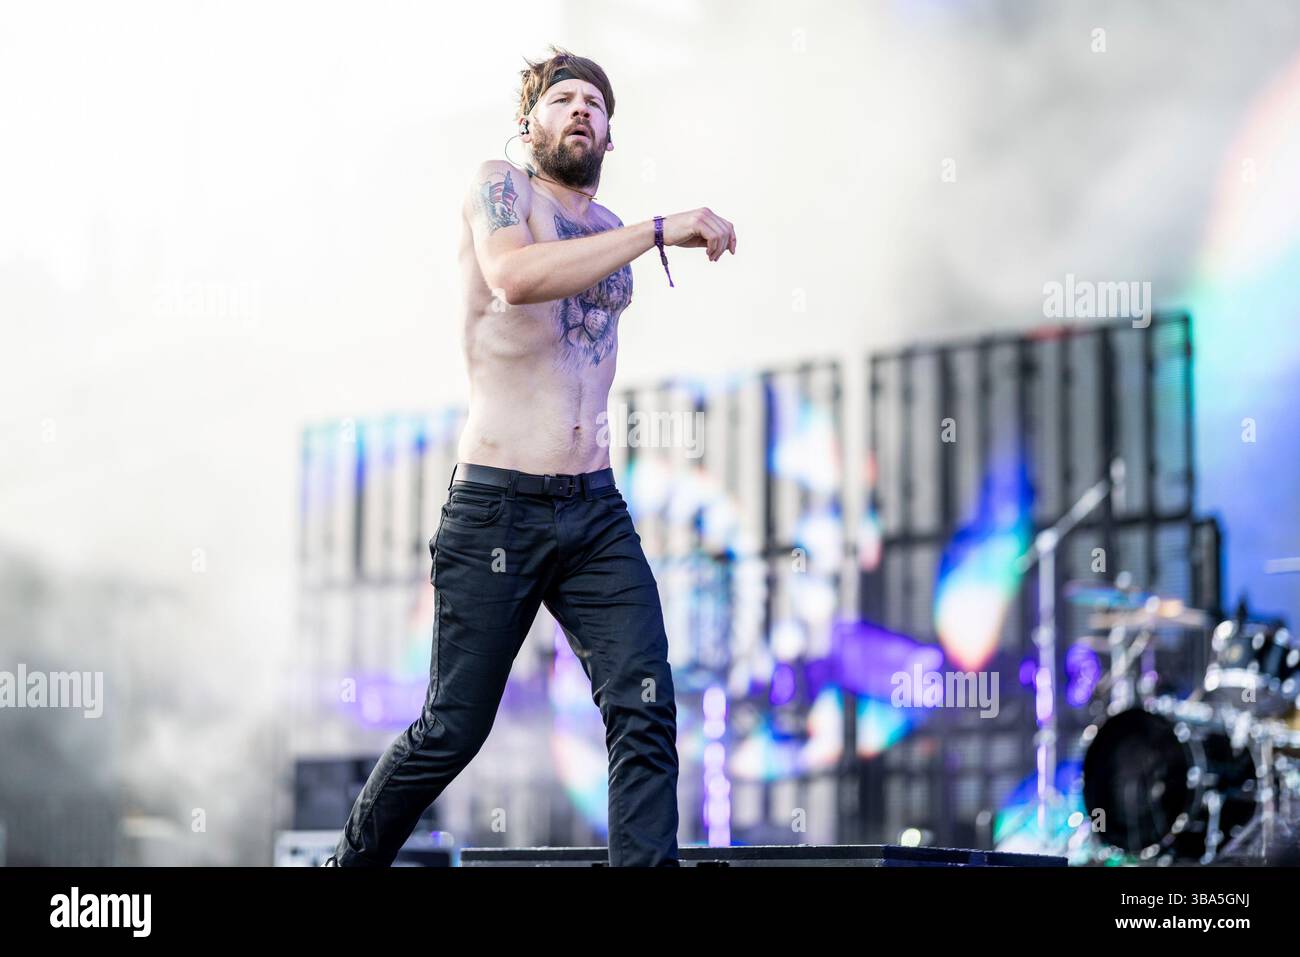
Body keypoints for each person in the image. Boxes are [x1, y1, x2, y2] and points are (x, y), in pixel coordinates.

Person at [327, 45, 737, 867]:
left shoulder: (608, 228)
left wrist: (638, 232)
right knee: (453, 728)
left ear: (611, 135)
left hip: (594, 508)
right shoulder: (500, 187)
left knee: (644, 701)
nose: (581, 108)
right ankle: (348, 864)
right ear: (530, 123)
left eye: (595, 101)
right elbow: (513, 277)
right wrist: (659, 230)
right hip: (497, 505)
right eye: (563, 99)